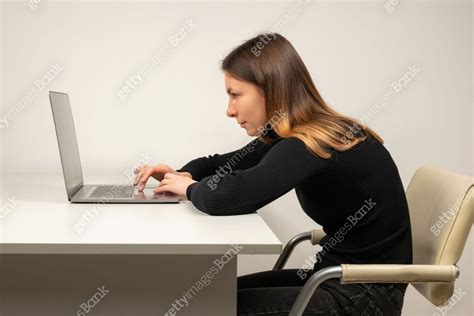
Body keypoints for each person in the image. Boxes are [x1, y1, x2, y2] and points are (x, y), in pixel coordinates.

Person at [133, 33, 412, 315]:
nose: (230, 110)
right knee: (206, 298)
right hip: (336, 278)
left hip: (362, 297)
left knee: (207, 307)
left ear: (270, 89)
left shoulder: (311, 143)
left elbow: (233, 196)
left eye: (235, 95)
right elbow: (220, 165)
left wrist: (189, 188)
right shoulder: (298, 133)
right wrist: (181, 175)